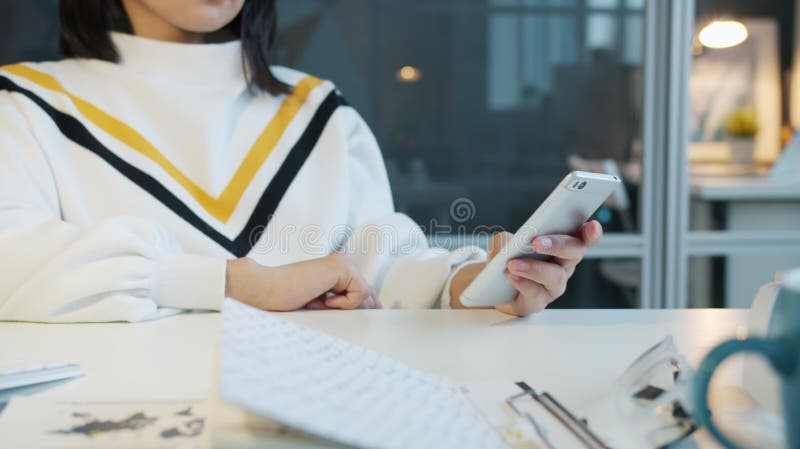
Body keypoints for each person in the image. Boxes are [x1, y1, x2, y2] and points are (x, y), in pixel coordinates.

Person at [0, 0, 602, 323]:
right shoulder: (26, 104)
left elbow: (374, 267)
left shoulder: (317, 108)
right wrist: (236, 284)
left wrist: (475, 287)